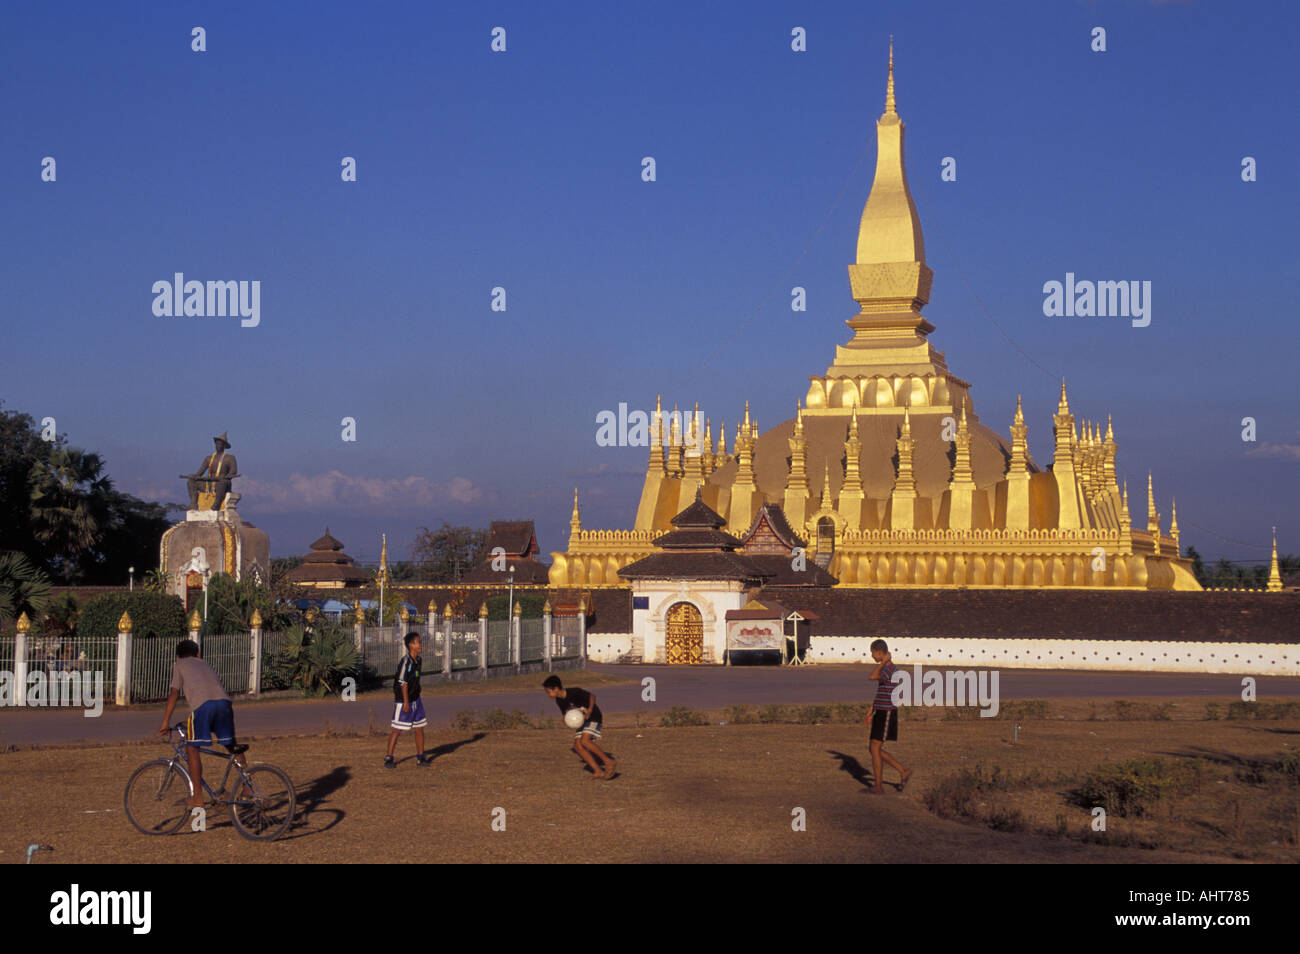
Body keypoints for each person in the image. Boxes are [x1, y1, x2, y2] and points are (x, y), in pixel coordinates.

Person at [158, 639, 244, 808]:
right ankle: (248, 787)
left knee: (191, 749)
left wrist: (165, 723)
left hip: (203, 708)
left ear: (178, 657)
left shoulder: (179, 665)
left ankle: (197, 798)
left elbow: (174, 694)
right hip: (224, 704)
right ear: (198, 654)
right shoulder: (205, 664)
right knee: (231, 744)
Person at [543, 674, 618, 780]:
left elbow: (592, 696)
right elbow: (567, 713)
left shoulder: (574, 692)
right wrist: (565, 719)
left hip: (593, 717)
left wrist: (590, 709)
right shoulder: (559, 701)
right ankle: (598, 771)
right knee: (578, 746)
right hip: (582, 721)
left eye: (548, 691)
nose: (548, 694)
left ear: (556, 688)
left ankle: (609, 762)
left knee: (585, 741)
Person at [867, 639, 912, 795]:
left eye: (873, 653)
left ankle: (879, 787)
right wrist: (871, 710)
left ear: (880, 652)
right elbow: (882, 691)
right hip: (880, 711)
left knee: (875, 747)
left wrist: (882, 663)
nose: (872, 656)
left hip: (886, 712)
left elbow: (872, 677)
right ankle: (902, 771)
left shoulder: (888, 669)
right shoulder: (886, 669)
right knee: (873, 748)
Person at [385, 633, 432, 768]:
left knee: (419, 728)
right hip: (404, 700)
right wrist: (406, 702)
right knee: (397, 729)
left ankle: (420, 757)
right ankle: (389, 757)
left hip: (416, 699)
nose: (421, 645)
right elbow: (403, 683)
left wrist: (415, 697)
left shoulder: (419, 660)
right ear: (411, 645)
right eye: (418, 642)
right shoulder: (406, 662)